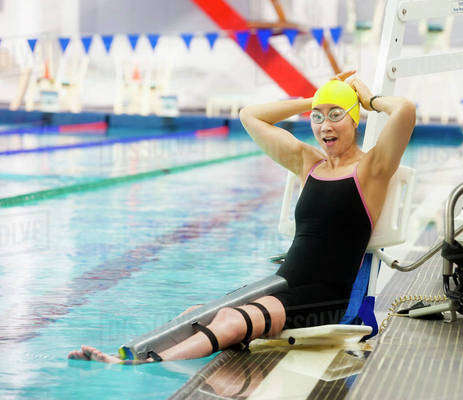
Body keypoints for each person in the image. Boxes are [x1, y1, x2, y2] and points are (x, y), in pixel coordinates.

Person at [68, 70, 415, 363]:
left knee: (232, 322)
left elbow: (405, 111)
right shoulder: (309, 164)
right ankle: (133, 352)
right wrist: (313, 98)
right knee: (197, 314)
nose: (325, 125)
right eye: (317, 116)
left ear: (355, 119)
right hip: (279, 285)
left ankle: (137, 365)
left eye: (336, 114)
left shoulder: (371, 169)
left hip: (321, 299)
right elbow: (251, 115)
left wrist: (369, 100)